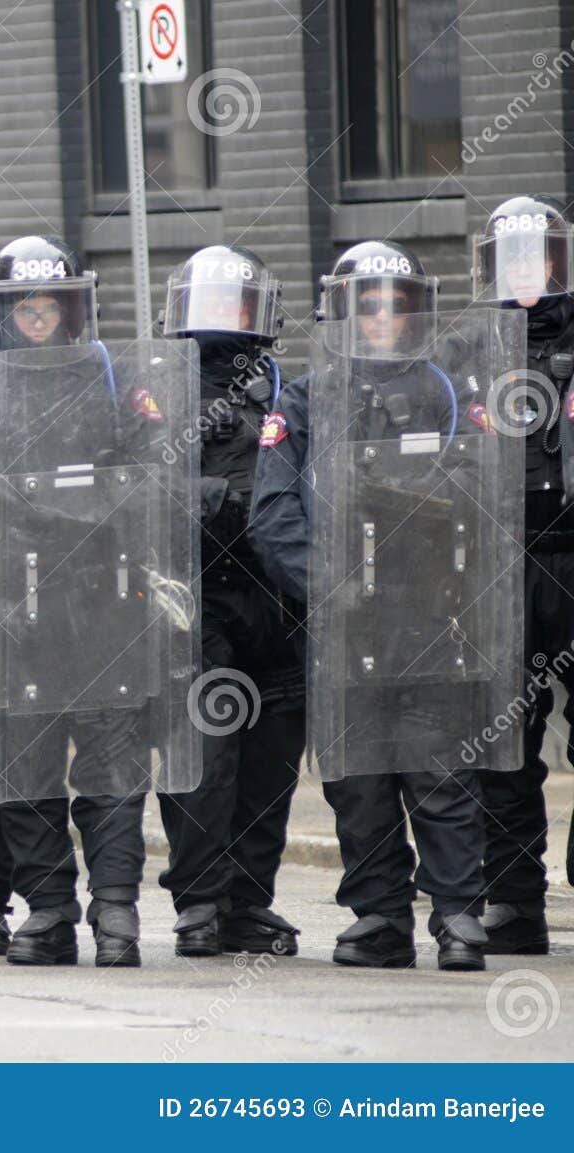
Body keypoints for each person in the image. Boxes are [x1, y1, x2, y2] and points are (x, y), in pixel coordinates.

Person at [0, 236, 170, 967]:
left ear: (71, 308)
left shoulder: (116, 382)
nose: (35, 319)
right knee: (23, 771)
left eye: (47, 305)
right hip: (15, 612)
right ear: (0, 313)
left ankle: (116, 910)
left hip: (105, 608)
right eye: (21, 307)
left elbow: (158, 481)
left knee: (112, 767)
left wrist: (121, 561)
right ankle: (50, 909)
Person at [251, 240, 494, 971]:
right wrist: (328, 589)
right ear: (345, 314)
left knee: (441, 772)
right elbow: (273, 512)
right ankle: (381, 915)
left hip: (428, 615)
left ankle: (457, 916)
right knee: (357, 780)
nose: (385, 319)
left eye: (397, 305)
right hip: (344, 622)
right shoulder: (304, 397)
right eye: (371, 306)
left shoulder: (451, 392)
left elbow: (485, 500)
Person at [155, 245, 305, 957]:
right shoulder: (156, 394)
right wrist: (227, 501)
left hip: (276, 597)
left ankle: (248, 899)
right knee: (205, 754)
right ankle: (200, 900)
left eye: (233, 305)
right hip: (198, 597)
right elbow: (141, 493)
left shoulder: (286, 390)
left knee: (273, 755)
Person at [473, 195, 574, 955]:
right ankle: (513, 899)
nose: (525, 276)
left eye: (537, 259)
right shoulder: (470, 356)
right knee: (504, 744)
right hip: (502, 560)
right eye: (511, 262)